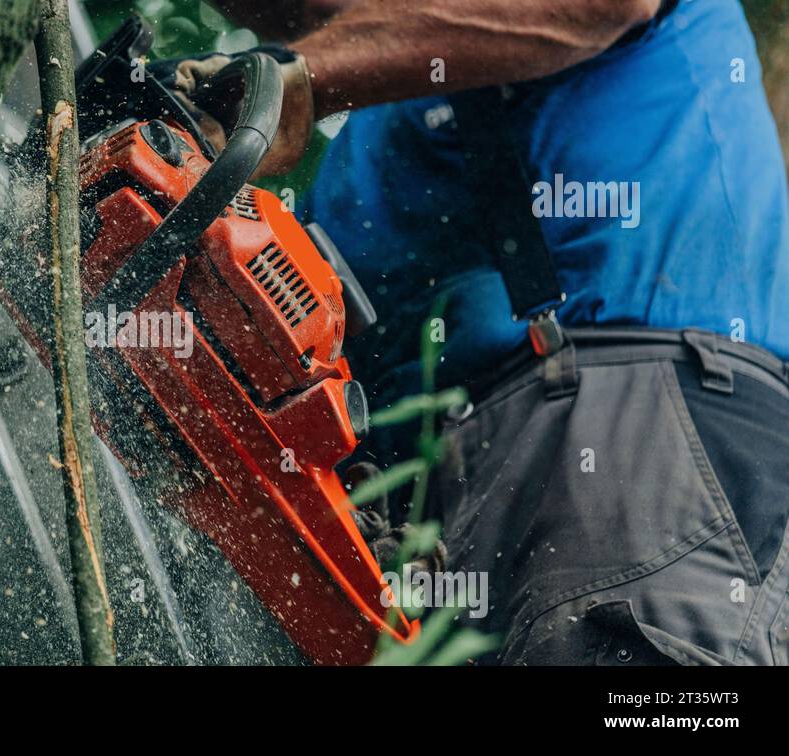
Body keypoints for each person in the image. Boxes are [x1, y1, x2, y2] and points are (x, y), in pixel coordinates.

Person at [171, 0, 789, 664]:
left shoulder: (508, 34)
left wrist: (306, 78)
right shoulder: (369, 156)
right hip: (418, 518)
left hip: (634, 425)